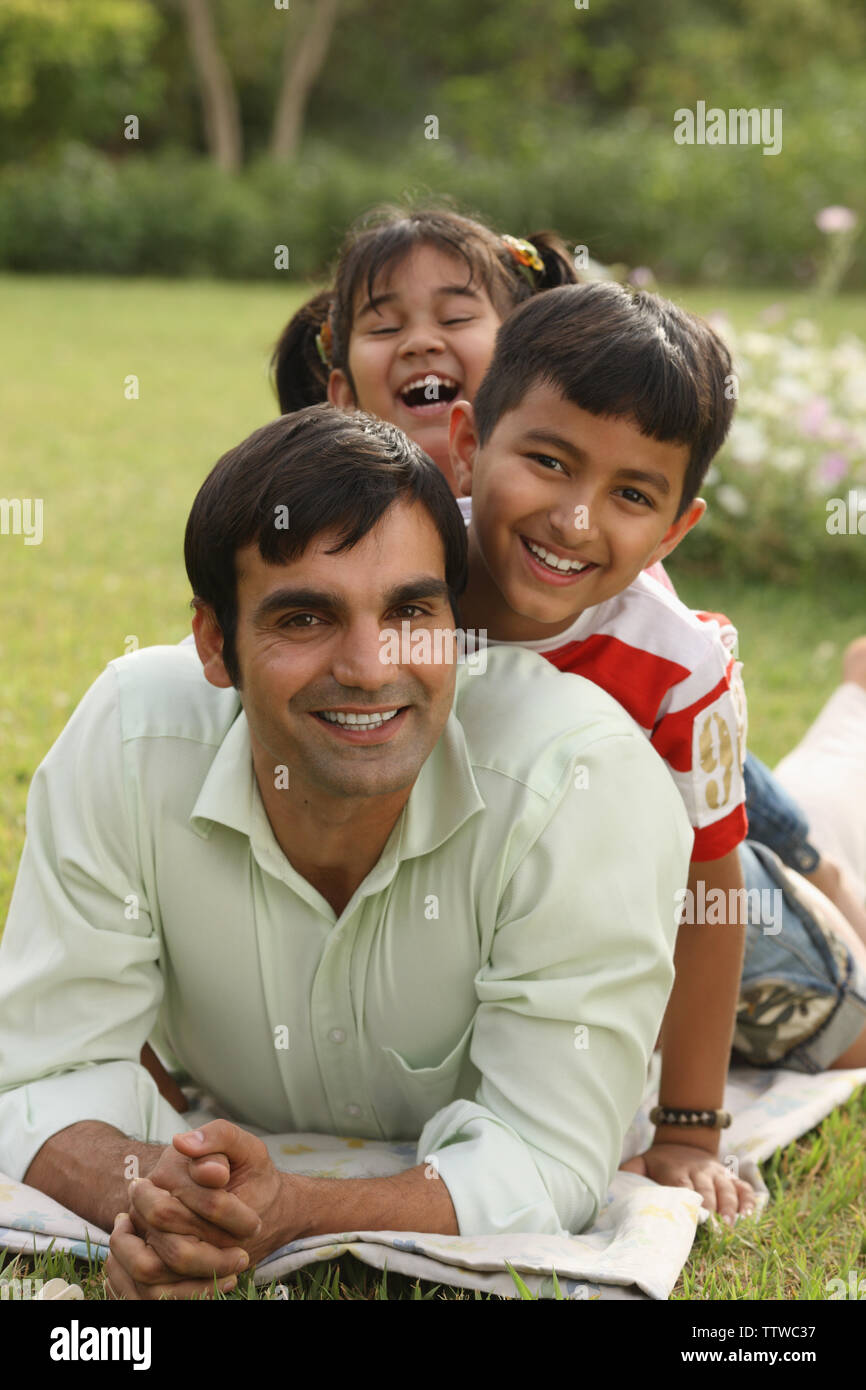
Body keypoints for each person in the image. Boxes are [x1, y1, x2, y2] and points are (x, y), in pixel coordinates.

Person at [0, 405, 693, 1300]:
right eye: (305, 617)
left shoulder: (580, 783)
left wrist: (284, 1210)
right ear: (215, 643)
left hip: (707, 903)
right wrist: (153, 1196)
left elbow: (549, 1159)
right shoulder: (132, 736)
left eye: (410, 609)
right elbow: (40, 1071)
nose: (369, 666)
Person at [445, 281, 866, 1214]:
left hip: (725, 891)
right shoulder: (398, 565)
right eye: (549, 461)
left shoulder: (675, 666)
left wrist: (686, 1127)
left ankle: (846, 770)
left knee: (851, 1020)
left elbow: (711, 891)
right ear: (469, 446)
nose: (576, 521)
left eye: (631, 494)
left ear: (676, 528)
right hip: (553, 883)